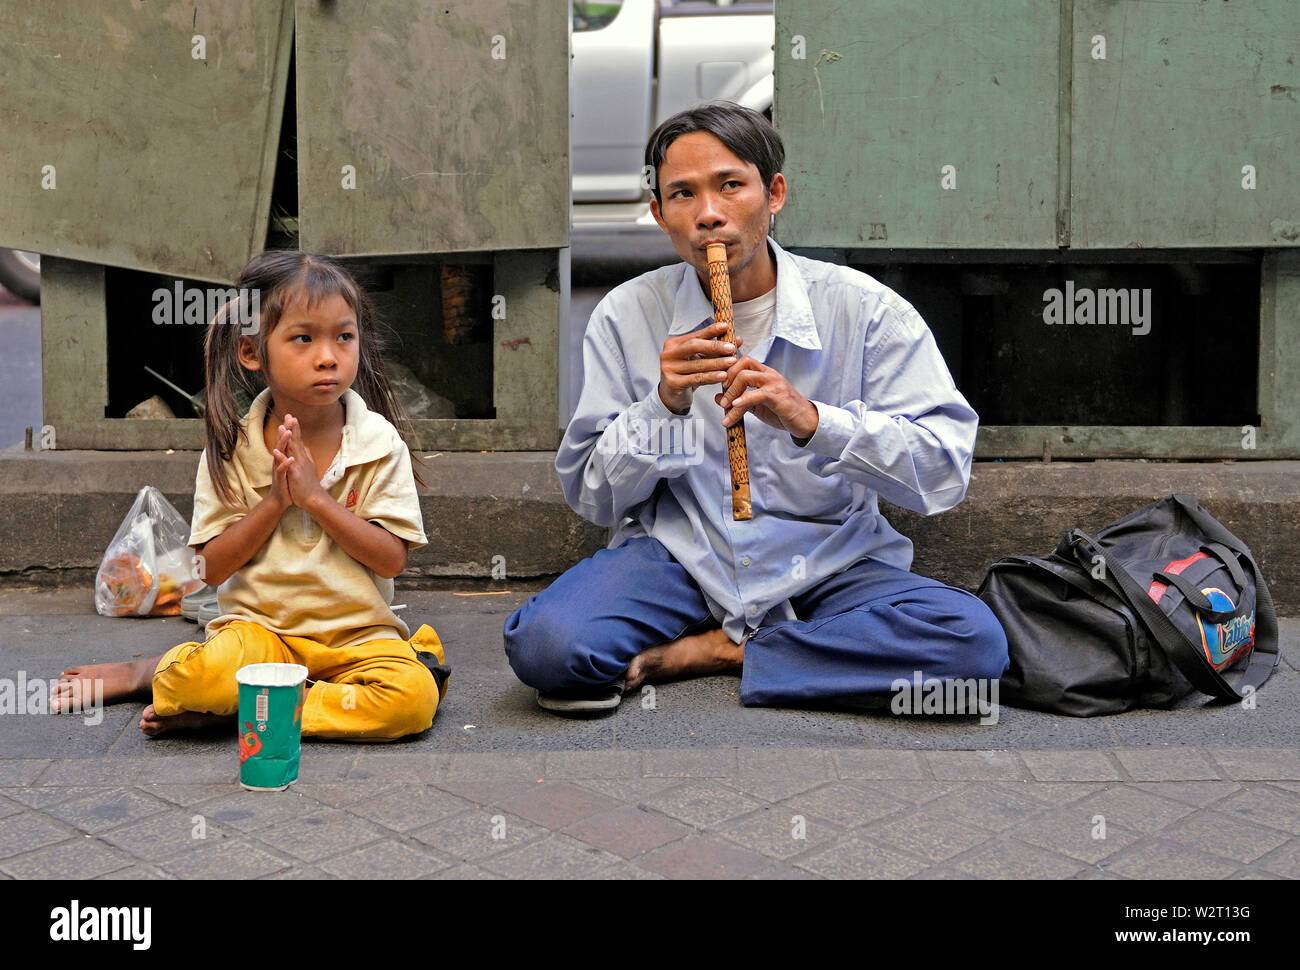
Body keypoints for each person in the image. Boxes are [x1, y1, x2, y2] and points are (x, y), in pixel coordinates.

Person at [504, 102, 1008, 713]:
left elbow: (944, 471)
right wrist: (663, 406)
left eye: (730, 186)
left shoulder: (865, 309)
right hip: (683, 558)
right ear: (660, 215)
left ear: (774, 194)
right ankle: (800, 655)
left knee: (973, 648)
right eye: (683, 195)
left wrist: (814, 422)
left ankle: (712, 653)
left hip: (830, 562)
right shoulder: (626, 315)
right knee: (548, 647)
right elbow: (592, 495)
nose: (708, 215)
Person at [51, 251, 447, 740]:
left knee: (410, 702)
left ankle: (257, 707)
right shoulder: (233, 447)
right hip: (260, 635)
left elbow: (391, 562)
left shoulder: (378, 443)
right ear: (252, 353)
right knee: (194, 678)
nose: (328, 356)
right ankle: (151, 674)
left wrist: (316, 500)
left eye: (344, 336)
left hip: (358, 636)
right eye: (303, 338)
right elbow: (209, 571)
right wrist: (276, 502)